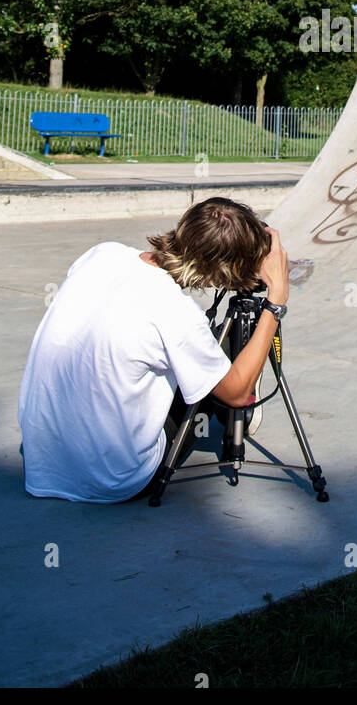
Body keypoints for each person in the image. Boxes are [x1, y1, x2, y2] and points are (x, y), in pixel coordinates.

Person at [17, 197, 289, 503]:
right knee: (218, 363)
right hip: (115, 479)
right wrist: (275, 299)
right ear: (226, 271)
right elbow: (237, 392)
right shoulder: (177, 313)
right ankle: (238, 415)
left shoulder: (102, 253)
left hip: (41, 463)